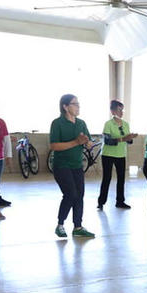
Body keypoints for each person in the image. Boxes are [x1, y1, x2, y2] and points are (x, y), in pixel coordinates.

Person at [49, 94, 95, 238]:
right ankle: (60, 225)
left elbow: (89, 142)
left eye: (78, 103)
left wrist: (88, 143)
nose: (78, 106)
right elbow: (54, 145)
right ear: (65, 106)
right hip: (61, 165)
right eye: (75, 104)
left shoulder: (81, 123)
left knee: (79, 195)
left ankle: (78, 227)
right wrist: (76, 142)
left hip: (77, 165)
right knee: (70, 194)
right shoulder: (57, 123)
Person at [97, 100, 137, 210]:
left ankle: (120, 201)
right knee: (107, 178)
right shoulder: (108, 124)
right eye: (119, 109)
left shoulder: (125, 124)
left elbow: (128, 141)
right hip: (108, 155)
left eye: (122, 109)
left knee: (121, 179)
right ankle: (101, 202)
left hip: (121, 155)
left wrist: (130, 138)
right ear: (113, 111)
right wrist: (123, 139)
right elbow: (108, 140)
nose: (121, 112)